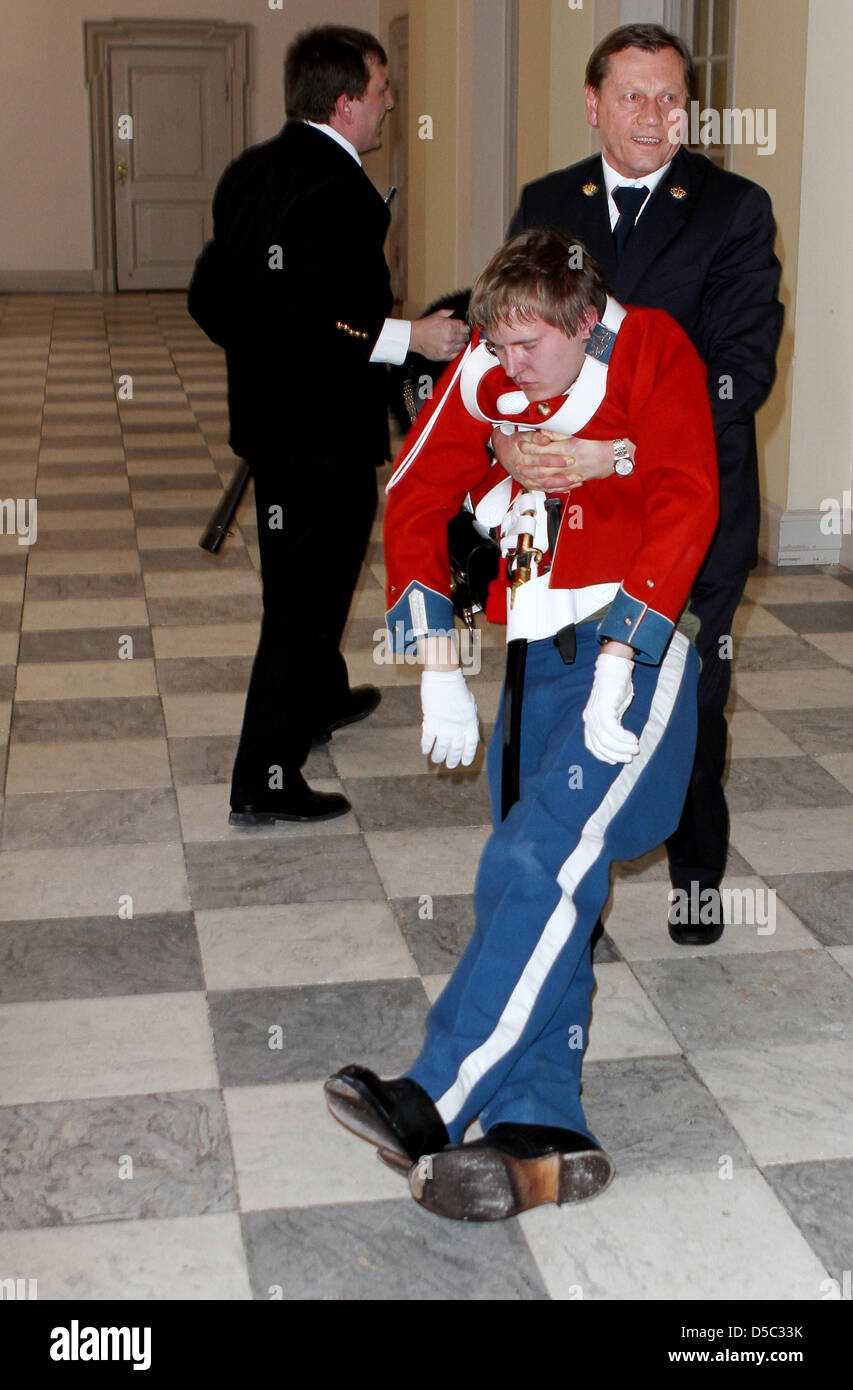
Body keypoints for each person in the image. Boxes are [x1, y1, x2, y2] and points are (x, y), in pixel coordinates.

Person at [324, 228, 719, 1222]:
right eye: (495, 343)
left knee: (537, 860)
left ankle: (438, 1092)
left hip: (631, 648)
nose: (507, 365)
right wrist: (438, 669)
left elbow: (687, 497)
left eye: (528, 344)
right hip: (536, 647)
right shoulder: (488, 370)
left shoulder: (651, 347)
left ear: (584, 321)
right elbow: (414, 491)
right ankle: (544, 1125)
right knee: (539, 880)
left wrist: (627, 654)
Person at [496, 23, 783, 942]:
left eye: (670, 97)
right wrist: (505, 436)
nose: (655, 115)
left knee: (683, 691)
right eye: (633, 96)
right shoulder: (548, 199)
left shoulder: (733, 207)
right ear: (593, 105)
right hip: (564, 511)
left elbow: (742, 369)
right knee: (553, 693)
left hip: (688, 506)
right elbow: (510, 345)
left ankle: (695, 875)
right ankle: (551, 883)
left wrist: (619, 447)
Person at [188, 25, 467, 824]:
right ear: (346, 103)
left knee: (300, 585)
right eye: (381, 91)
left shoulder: (252, 170)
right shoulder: (337, 190)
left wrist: (268, 363)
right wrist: (409, 337)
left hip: (275, 429)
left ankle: (319, 701)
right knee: (303, 607)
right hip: (321, 440)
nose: (389, 104)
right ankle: (264, 779)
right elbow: (318, 317)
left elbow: (213, 297)